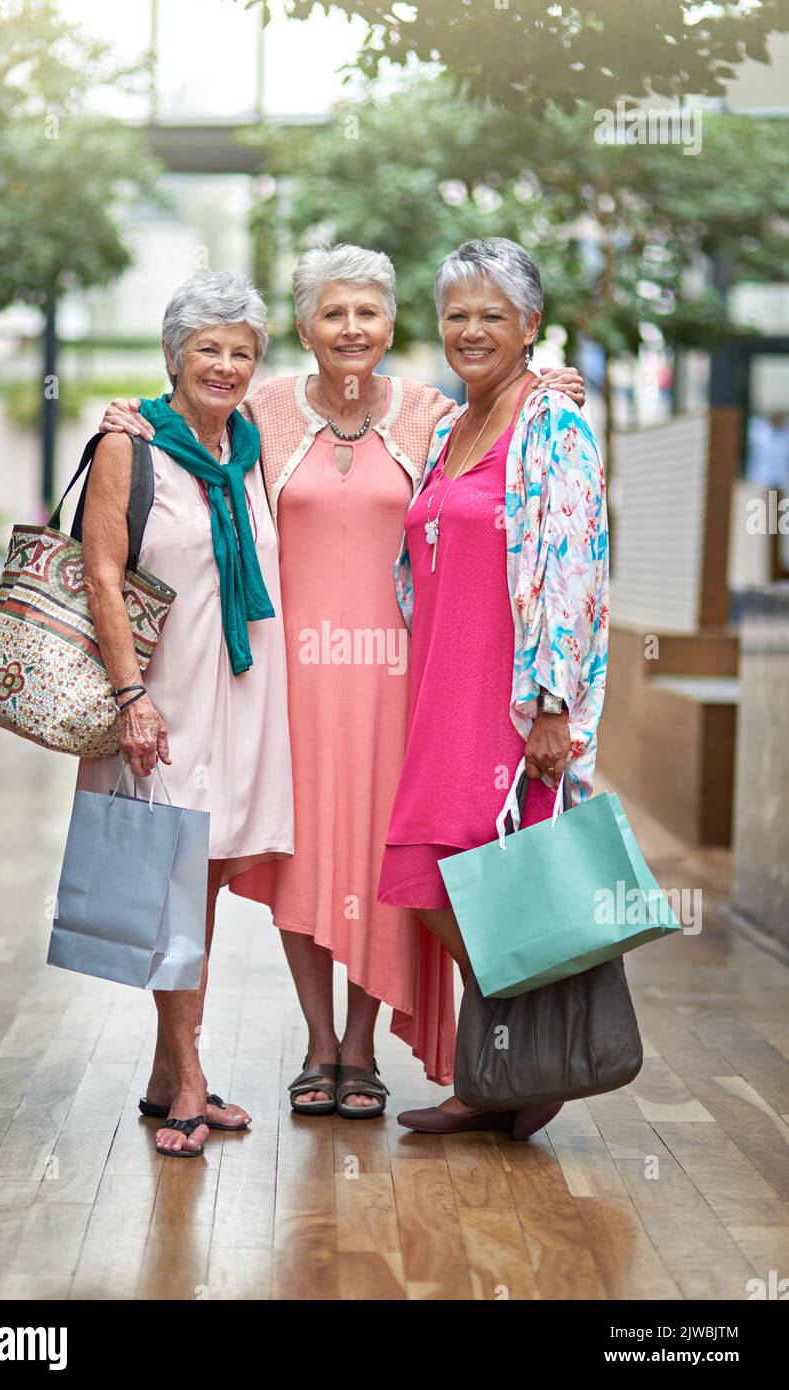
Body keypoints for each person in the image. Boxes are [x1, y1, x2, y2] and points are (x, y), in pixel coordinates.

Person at [98, 243, 585, 1118]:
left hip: (403, 679)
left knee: (386, 856)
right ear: (303, 328)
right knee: (304, 855)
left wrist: (554, 382)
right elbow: (189, 414)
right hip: (293, 680)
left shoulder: (436, 414)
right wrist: (129, 415)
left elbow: (510, 411)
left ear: (393, 326)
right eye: (332, 312)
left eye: (367, 312)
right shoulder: (268, 410)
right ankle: (318, 1047)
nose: (351, 328)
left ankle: (363, 1050)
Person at [377, 237, 609, 1140]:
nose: (470, 331)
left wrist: (554, 703)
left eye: (492, 316)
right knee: (427, 876)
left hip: (510, 700)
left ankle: (509, 1071)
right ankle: (516, 1059)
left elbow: (575, 567)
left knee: (492, 881)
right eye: (457, 315)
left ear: (529, 327)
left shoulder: (552, 427)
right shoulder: (444, 429)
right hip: (440, 689)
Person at [78, 270, 293, 1157]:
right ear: (173, 355)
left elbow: (370, 406)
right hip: (158, 697)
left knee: (196, 881)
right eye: (208, 348)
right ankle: (190, 1080)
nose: (226, 365)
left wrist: (545, 381)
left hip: (235, 695)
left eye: (242, 351)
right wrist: (131, 697)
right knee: (167, 876)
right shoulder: (132, 442)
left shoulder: (253, 445)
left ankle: (171, 1072)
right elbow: (100, 574)